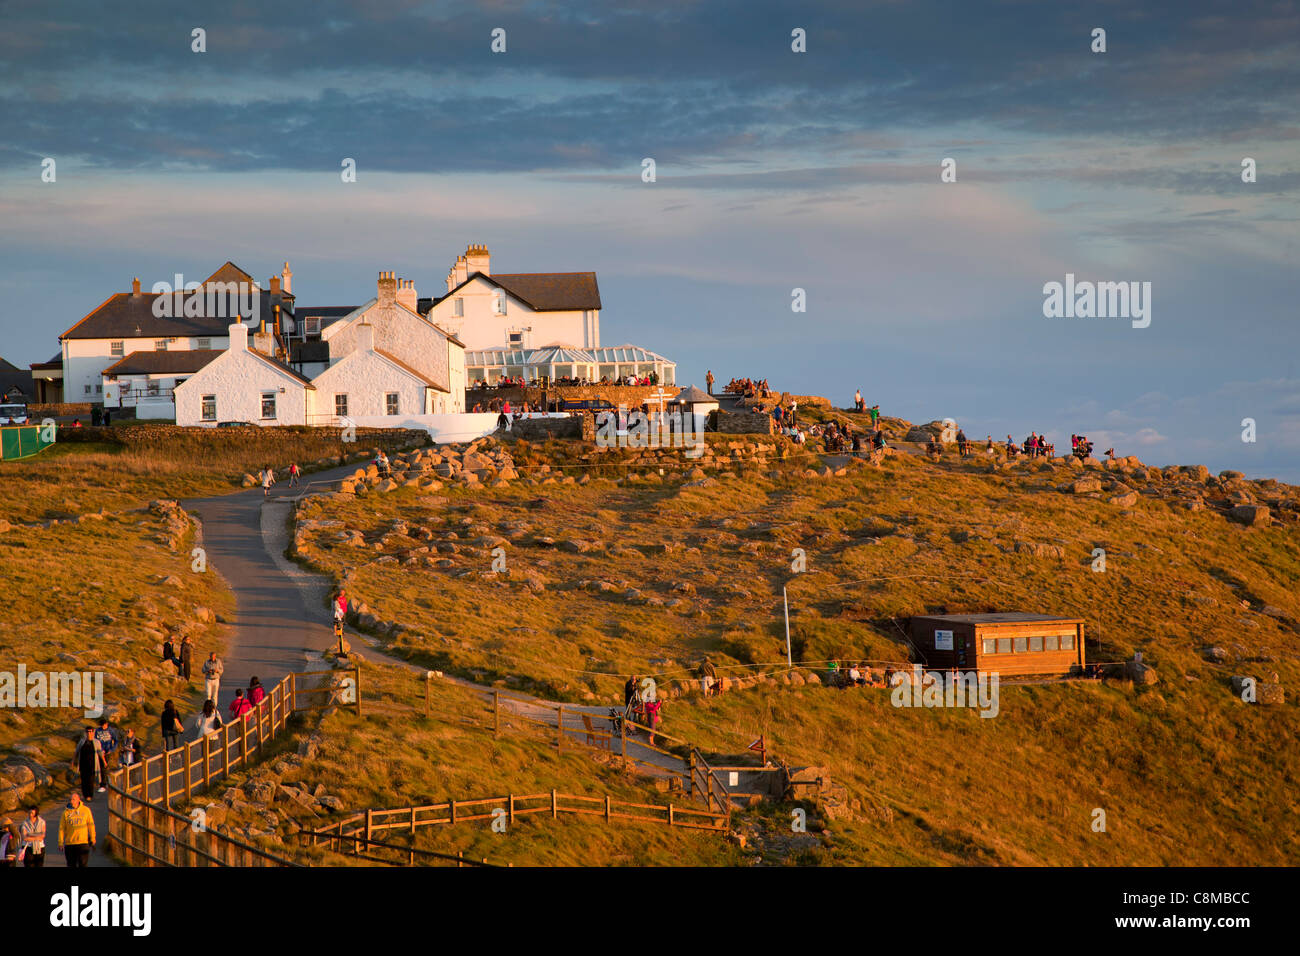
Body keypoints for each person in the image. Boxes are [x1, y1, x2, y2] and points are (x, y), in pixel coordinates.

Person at [59, 792, 95, 868]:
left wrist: (93, 838)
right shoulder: (65, 813)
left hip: (83, 842)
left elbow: (91, 825)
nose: (71, 801)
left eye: (73, 799)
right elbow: (62, 828)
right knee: (71, 864)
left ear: (78, 800)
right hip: (70, 843)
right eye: (70, 799)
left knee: (83, 864)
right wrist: (60, 842)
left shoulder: (86, 810)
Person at [71, 727, 105, 800]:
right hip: (83, 764)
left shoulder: (96, 742)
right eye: (88, 732)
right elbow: (76, 751)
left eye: (90, 732)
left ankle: (89, 795)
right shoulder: (82, 741)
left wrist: (104, 761)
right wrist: (73, 761)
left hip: (92, 765)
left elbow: (100, 752)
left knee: (90, 780)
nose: (89, 733)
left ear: (93, 732)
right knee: (84, 781)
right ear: (86, 733)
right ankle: (85, 795)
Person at [93, 718, 118, 788]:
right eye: (101, 726)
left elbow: (116, 740)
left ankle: (105, 783)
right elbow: (95, 740)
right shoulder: (97, 731)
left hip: (107, 752)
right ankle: (103, 783)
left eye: (104, 725)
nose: (103, 727)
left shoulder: (111, 731)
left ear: (106, 724)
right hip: (100, 752)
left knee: (105, 767)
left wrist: (112, 749)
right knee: (100, 767)